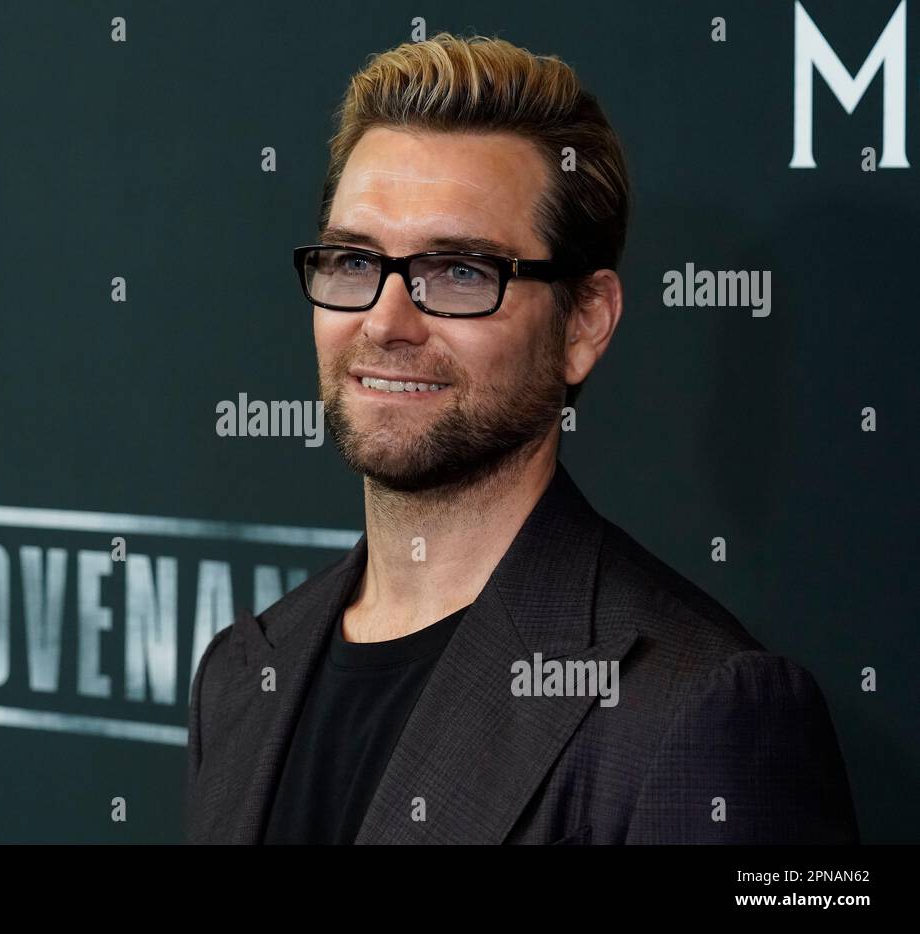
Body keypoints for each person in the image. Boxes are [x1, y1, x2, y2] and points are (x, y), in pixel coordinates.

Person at [185, 32, 857, 844]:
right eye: (354, 261)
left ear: (584, 323)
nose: (387, 322)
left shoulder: (704, 713)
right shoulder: (242, 673)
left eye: (461, 272)